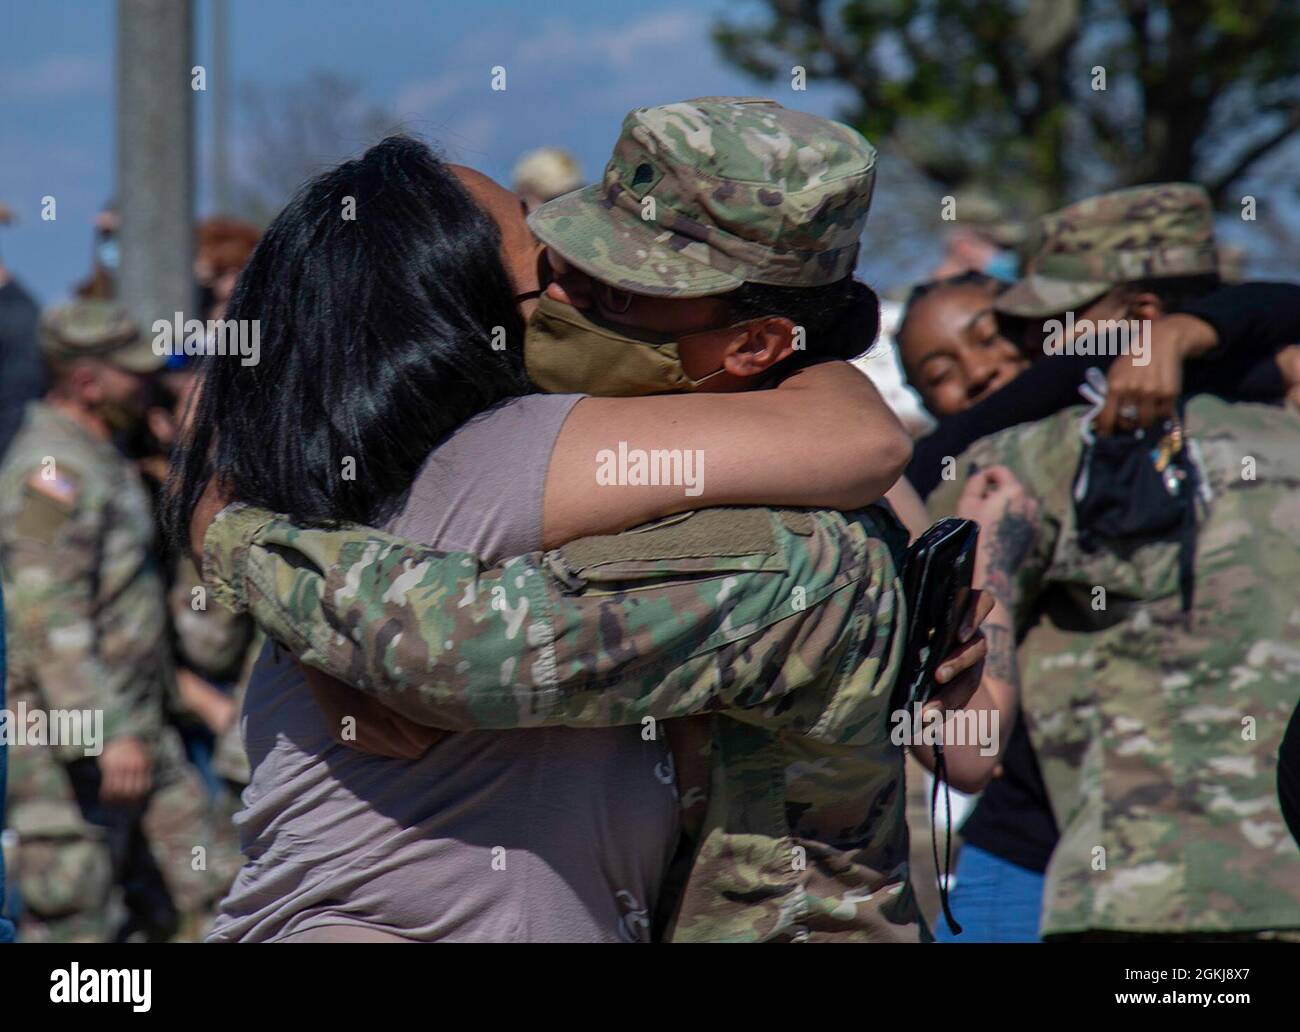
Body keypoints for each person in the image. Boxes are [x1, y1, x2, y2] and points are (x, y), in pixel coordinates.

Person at [176, 105, 989, 942]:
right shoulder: (521, 448)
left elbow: (859, 444)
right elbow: (856, 439)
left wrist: (229, 524)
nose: (568, 292)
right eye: (555, 272)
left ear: (754, 343)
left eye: (614, 285)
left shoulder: (451, 460)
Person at [924, 191, 1300, 941]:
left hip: (1136, 904)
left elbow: (961, 754)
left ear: (1142, 310)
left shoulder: (1028, 459)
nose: (1027, 342)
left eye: (1050, 321)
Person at [0, 300, 224, 941]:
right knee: (78, 924)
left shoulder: (98, 456)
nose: (149, 382)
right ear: (87, 382)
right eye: (132, 373)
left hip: (137, 728)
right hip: (73, 747)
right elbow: (43, 611)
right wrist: (102, 731)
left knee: (210, 890)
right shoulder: (51, 473)